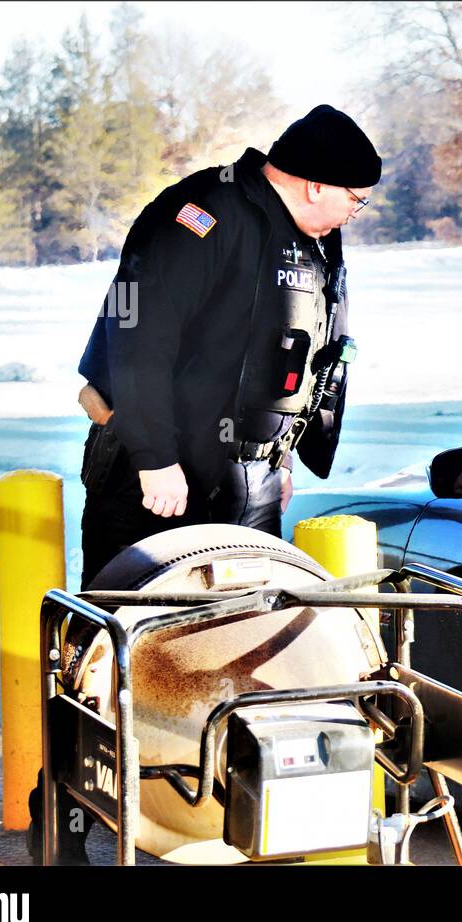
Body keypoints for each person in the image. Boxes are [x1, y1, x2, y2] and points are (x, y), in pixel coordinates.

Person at [74, 104, 380, 589]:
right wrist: (154, 459)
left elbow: (300, 359)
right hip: (163, 480)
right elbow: (136, 336)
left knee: (243, 643)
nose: (354, 213)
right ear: (316, 184)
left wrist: (279, 460)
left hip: (250, 485)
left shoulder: (314, 238)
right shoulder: (204, 211)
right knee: (135, 636)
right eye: (355, 200)